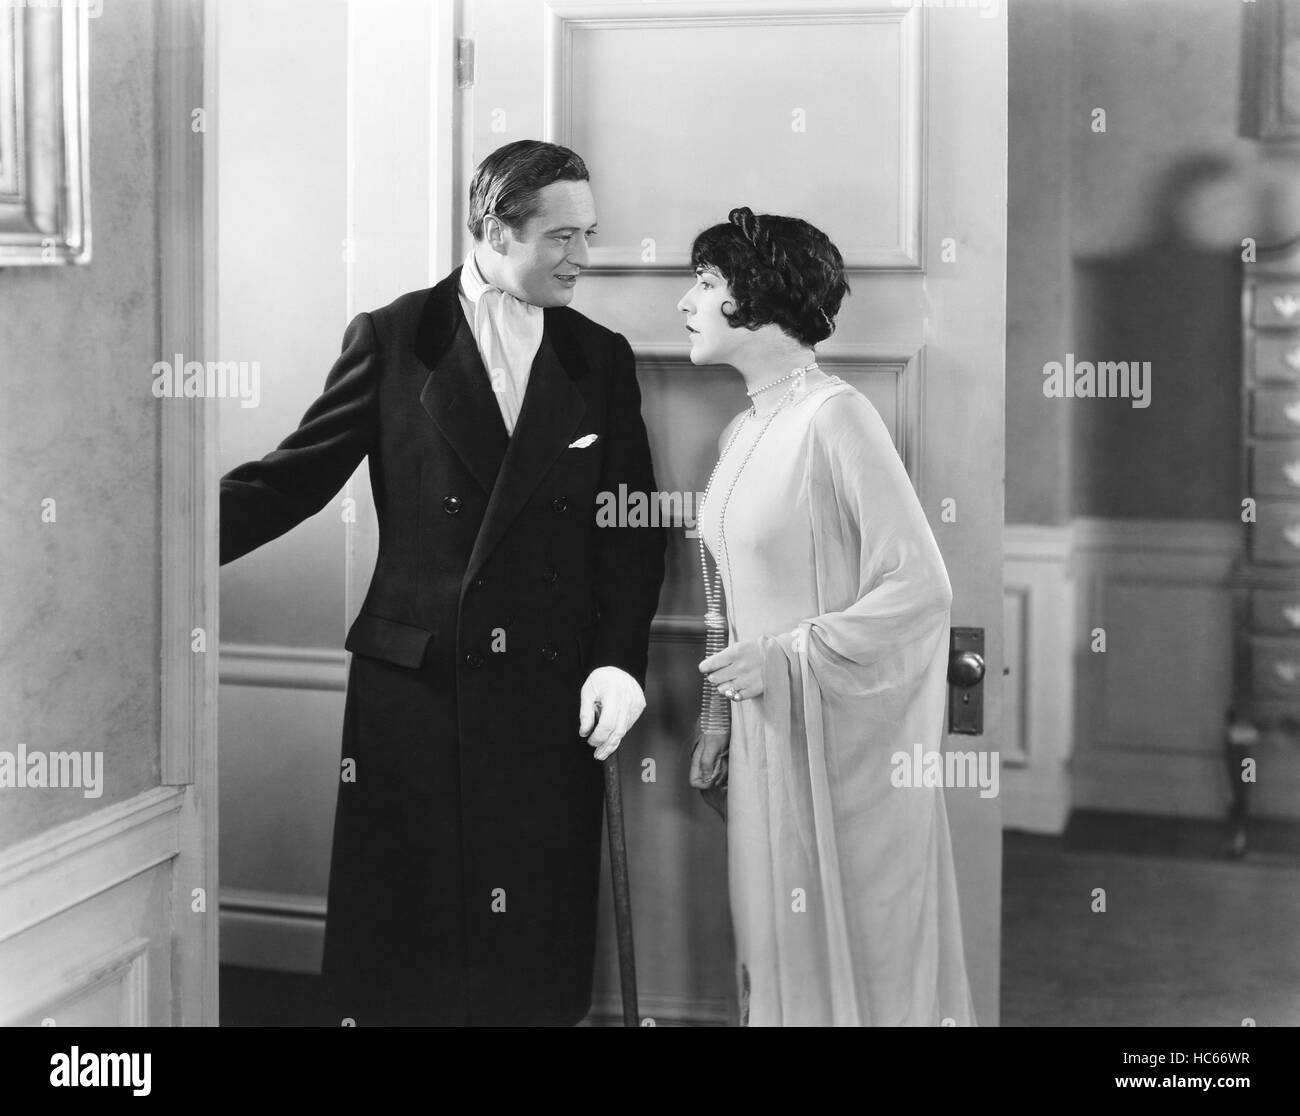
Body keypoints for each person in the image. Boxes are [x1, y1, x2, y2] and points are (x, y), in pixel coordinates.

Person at [220, 140, 667, 1026]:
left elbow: (628, 528)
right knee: (405, 926)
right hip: (416, 681)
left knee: (531, 930)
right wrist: (151, 555)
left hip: (550, 682)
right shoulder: (393, 337)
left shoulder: (599, 356)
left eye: (590, 235)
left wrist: (619, 664)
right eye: (562, 238)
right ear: (495, 230)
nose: (583, 259)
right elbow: (293, 479)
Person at [681, 207, 975, 1026]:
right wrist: (715, 723)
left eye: (705, 283)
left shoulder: (836, 416)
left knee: (850, 949)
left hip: (836, 748)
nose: (686, 303)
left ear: (755, 293)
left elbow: (921, 586)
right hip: (763, 735)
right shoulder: (744, 428)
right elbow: (722, 594)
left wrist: (787, 657)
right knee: (772, 946)